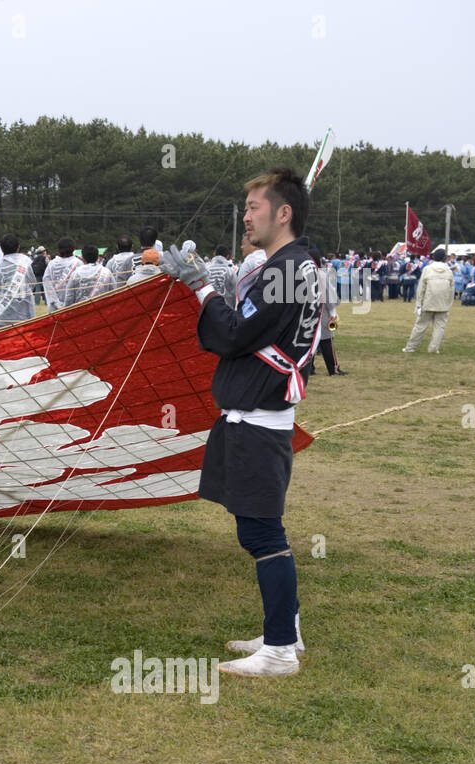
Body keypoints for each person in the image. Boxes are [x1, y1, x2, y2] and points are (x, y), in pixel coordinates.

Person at [160, 165, 321, 678]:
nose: (246, 216)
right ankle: (286, 631)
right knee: (259, 527)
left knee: (262, 533)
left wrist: (200, 287)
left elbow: (232, 335)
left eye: (254, 207)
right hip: (257, 416)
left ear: (283, 212)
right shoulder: (295, 265)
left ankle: (277, 651)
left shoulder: (285, 269)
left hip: (259, 420)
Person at [403, 247, 454, 354]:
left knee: (420, 326)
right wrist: (449, 304)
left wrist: (418, 304)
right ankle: (433, 349)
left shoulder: (427, 269)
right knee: (439, 328)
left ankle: (410, 348)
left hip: (428, 302)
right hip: (443, 304)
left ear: (433, 257)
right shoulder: (449, 271)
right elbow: (451, 290)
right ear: (445, 258)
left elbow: (421, 288)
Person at [311, 246, 346, 375]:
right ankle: (333, 368)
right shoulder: (321, 275)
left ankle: (309, 368)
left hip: (307, 313)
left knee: (309, 341)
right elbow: (330, 296)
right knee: (327, 341)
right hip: (322, 312)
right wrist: (333, 313)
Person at [0, 233, 35, 328]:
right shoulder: (26, 263)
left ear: (1, 248)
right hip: (23, 312)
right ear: (18, 247)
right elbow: (32, 283)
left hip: (2, 314)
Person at [42, 237, 81, 311]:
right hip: (74, 306)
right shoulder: (79, 263)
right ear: (73, 248)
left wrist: (55, 302)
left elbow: (47, 282)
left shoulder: (52, 264)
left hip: (55, 307)